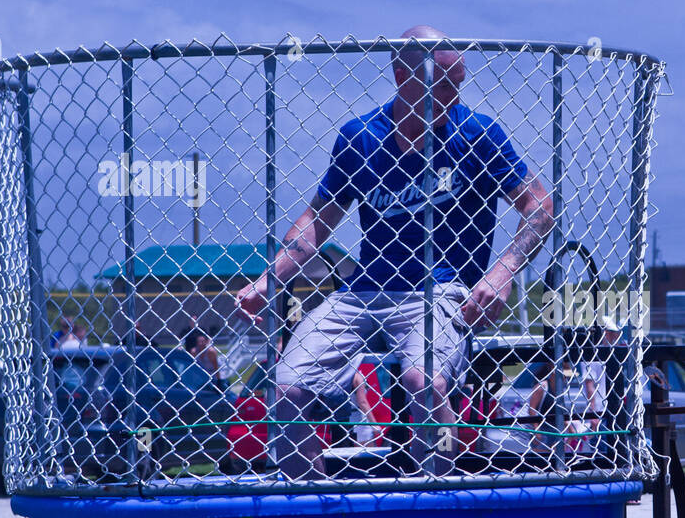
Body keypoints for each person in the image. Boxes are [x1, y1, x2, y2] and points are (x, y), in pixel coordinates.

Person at [234, 25, 554, 478]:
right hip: (363, 289)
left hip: (438, 289)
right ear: (404, 76)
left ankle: (440, 491)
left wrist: (502, 272)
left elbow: (539, 206)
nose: (455, 93)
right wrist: (272, 279)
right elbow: (317, 221)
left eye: (459, 81)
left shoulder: (478, 134)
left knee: (423, 382)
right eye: (444, 83)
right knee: (286, 389)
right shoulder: (360, 137)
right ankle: (312, 506)